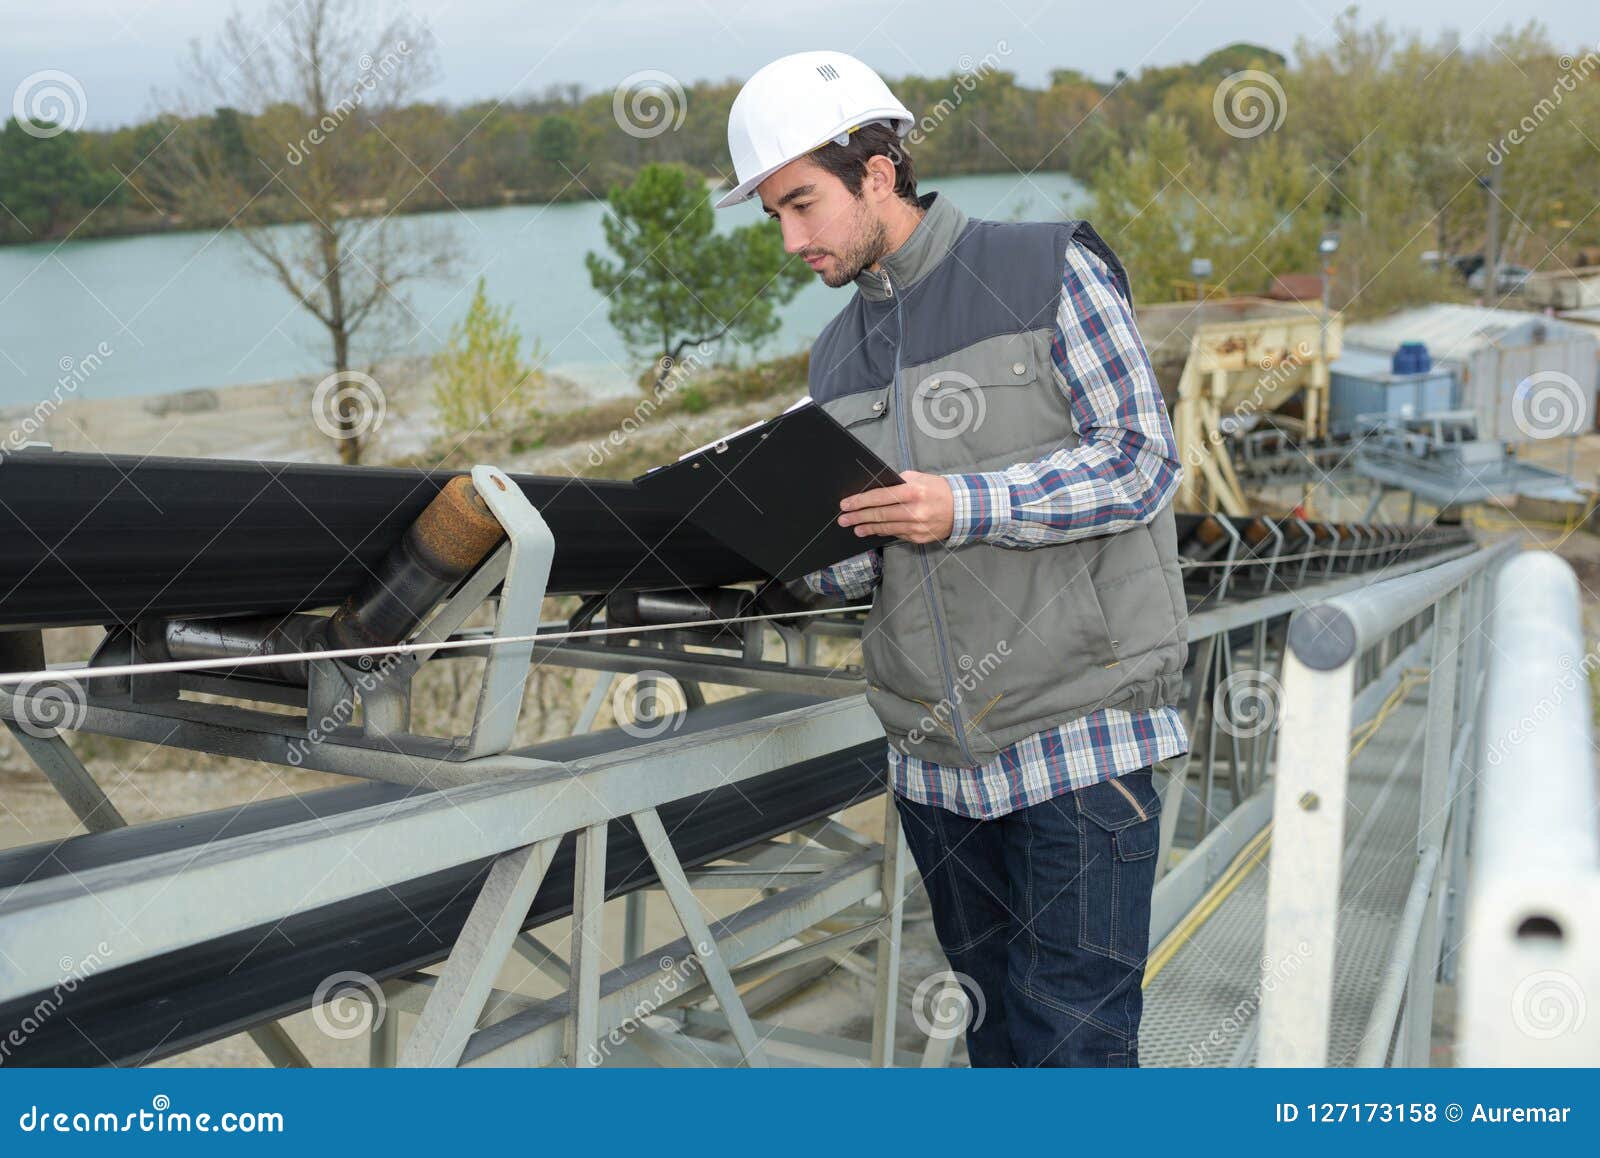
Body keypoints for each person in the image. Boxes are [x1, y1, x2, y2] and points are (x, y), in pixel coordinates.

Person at [716, 50, 1190, 1067]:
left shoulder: (1046, 264)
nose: (791, 240)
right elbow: (860, 562)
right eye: (775, 218)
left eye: (802, 205)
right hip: (935, 771)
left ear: (876, 173)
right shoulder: (832, 357)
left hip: (1081, 739)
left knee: (1076, 1054)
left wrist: (962, 506)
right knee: (1002, 1053)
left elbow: (1142, 460)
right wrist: (774, 551)